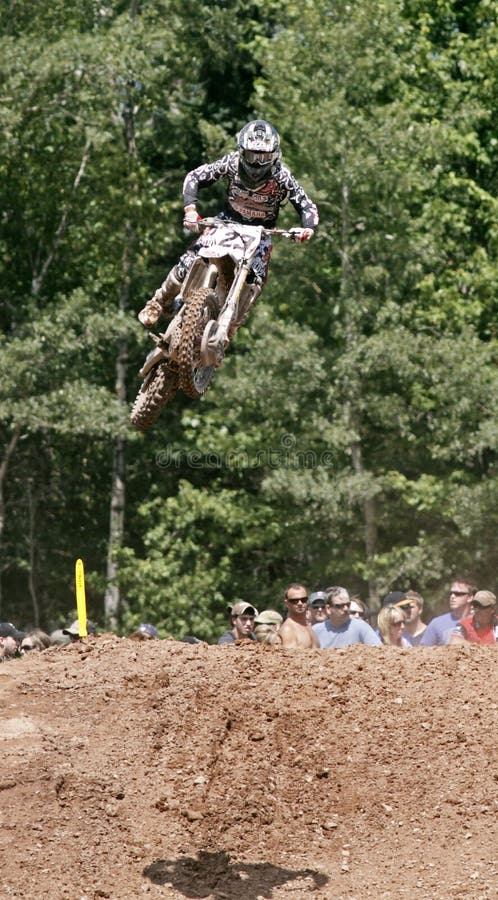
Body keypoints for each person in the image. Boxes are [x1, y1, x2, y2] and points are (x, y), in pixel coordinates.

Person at [138, 119, 319, 328]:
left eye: (264, 157)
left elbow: (307, 205)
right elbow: (194, 177)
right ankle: (158, 302)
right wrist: (190, 211)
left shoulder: (282, 176)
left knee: (255, 282)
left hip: (260, 233)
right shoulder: (231, 163)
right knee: (188, 260)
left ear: (274, 154)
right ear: (242, 151)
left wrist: (307, 229)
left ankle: (229, 328)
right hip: (226, 223)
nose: (257, 163)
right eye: (252, 155)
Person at [313, 587, 381, 649]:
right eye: (340, 606)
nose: (345, 608)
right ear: (328, 608)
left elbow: (379, 651)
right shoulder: (316, 630)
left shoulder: (361, 627)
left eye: (348, 604)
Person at [419, 579, 476, 647]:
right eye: (451, 593)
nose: (452, 596)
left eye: (458, 594)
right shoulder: (436, 623)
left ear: (470, 597)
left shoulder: (481, 622)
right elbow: (422, 651)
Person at [278, 584, 320, 649]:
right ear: (287, 603)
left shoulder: (308, 627)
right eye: (294, 601)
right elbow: (289, 658)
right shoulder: (288, 630)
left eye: (303, 600)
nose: (300, 603)